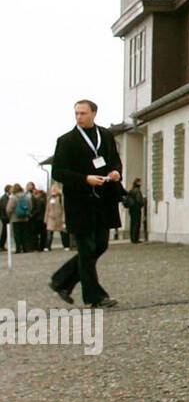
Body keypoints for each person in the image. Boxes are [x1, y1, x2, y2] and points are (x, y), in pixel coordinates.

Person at [49, 100, 122, 308]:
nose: (79, 117)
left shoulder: (106, 136)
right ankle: (95, 297)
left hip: (103, 201)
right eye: (76, 114)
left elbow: (115, 160)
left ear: (94, 113)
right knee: (87, 249)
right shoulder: (66, 141)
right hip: (80, 204)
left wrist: (116, 172)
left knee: (100, 246)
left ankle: (61, 280)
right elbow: (58, 172)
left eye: (83, 113)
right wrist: (85, 179)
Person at [6, 182, 32, 253]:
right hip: (25, 218)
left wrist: (10, 216)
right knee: (24, 234)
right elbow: (30, 207)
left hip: (15, 219)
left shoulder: (13, 198)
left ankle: (18, 248)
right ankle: (25, 248)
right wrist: (27, 213)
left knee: (17, 235)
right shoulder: (27, 197)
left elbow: (9, 209)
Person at [45, 182, 69, 250]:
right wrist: (46, 218)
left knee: (63, 232)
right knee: (49, 233)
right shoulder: (50, 198)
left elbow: (64, 208)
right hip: (51, 217)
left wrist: (64, 219)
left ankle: (66, 245)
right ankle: (47, 246)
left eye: (55, 189)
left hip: (59, 217)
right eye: (52, 189)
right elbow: (47, 209)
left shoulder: (61, 197)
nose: (53, 190)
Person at [125, 178, 145, 243]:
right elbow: (139, 200)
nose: (141, 183)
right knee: (136, 223)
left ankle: (132, 238)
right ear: (138, 183)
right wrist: (143, 203)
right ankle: (135, 239)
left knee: (132, 223)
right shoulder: (137, 191)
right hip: (136, 208)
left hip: (131, 208)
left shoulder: (131, 190)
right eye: (140, 182)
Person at [30, 186, 48, 252]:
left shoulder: (39, 201)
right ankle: (42, 246)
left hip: (38, 220)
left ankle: (37, 247)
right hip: (43, 219)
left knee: (35, 235)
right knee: (43, 234)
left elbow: (38, 210)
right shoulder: (44, 200)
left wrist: (31, 216)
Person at [0, 184, 9, 252]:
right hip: (4, 217)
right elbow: (5, 207)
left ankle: (2, 245)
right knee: (4, 232)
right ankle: (1, 245)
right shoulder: (4, 198)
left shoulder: (5, 197)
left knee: (5, 232)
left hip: (4, 216)